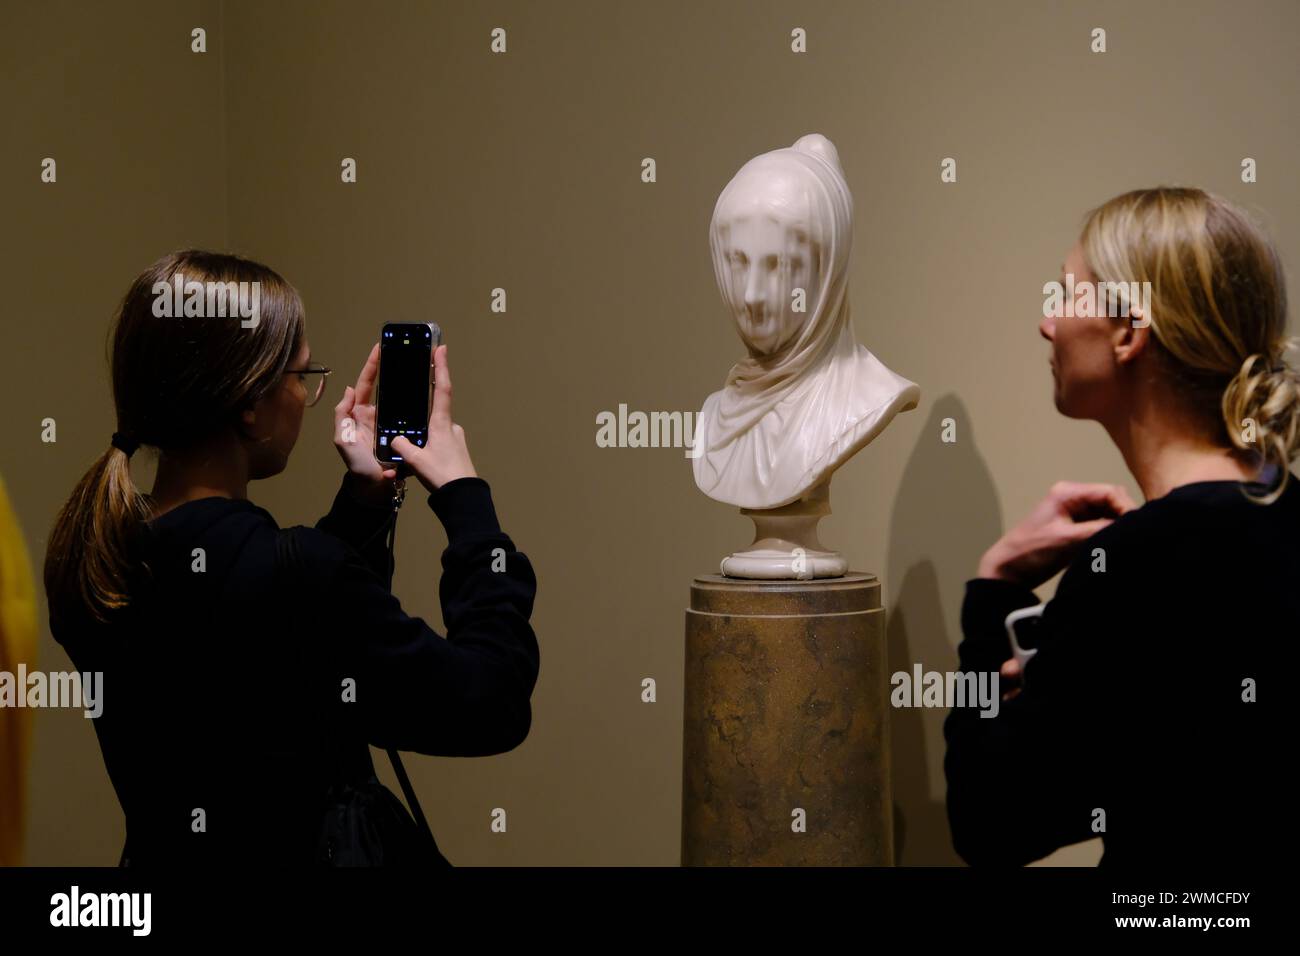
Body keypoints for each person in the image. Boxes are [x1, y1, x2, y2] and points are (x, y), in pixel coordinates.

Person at [43, 250, 539, 865]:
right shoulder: (294, 573)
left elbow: (288, 662)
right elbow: (492, 703)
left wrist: (362, 502)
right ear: (250, 402)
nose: (307, 395)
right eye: (301, 376)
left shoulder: (98, 557)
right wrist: (466, 502)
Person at [944, 187, 1298, 867]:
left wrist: (993, 595)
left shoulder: (1134, 568)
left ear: (1130, 332)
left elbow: (993, 823)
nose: (1047, 325)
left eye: (1065, 295)